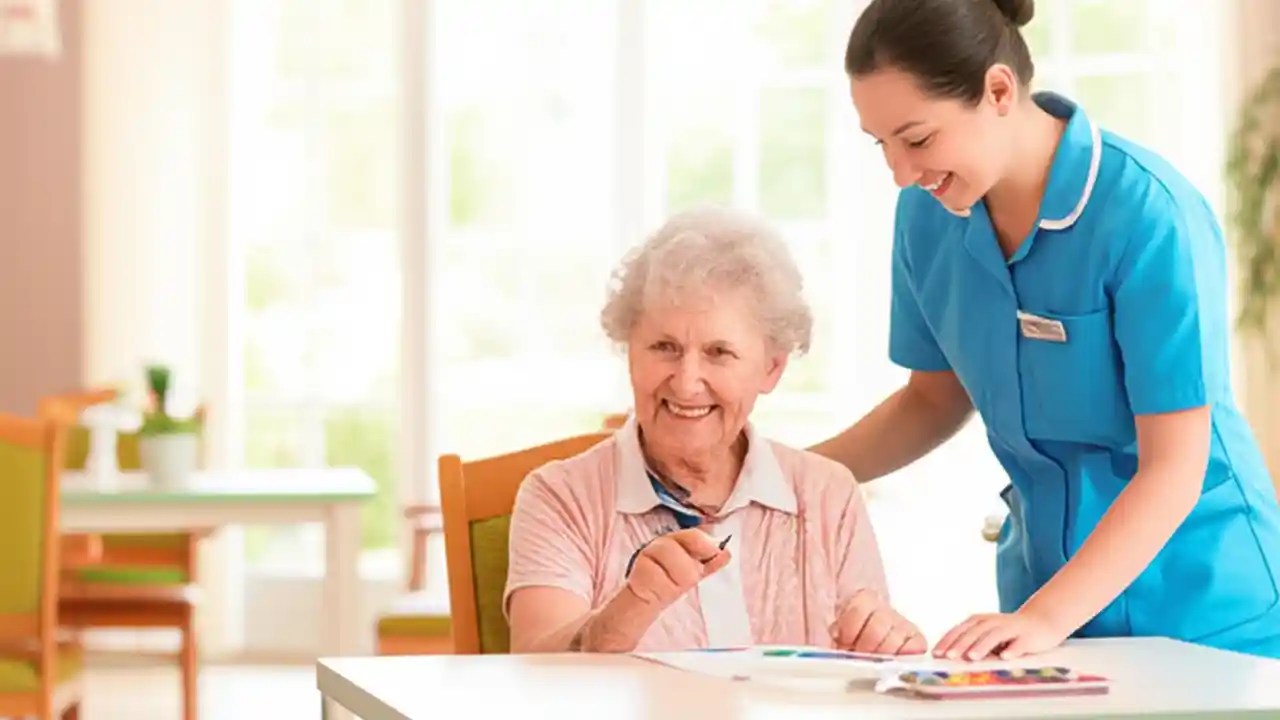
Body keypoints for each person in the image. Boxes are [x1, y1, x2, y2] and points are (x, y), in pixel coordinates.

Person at [812, 0, 1280, 662]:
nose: (900, 173)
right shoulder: (928, 216)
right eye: (880, 143)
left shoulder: (1148, 214)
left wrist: (1044, 618)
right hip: (1046, 605)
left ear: (999, 91)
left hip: (1204, 613)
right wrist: (786, 475)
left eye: (916, 139)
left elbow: (1175, 465)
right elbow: (933, 399)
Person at [504, 207, 926, 654]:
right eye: (664, 347)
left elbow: (865, 666)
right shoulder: (560, 496)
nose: (686, 383)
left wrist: (888, 645)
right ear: (630, 353)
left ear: (771, 368)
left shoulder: (829, 496)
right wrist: (630, 607)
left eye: (719, 353)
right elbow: (537, 670)